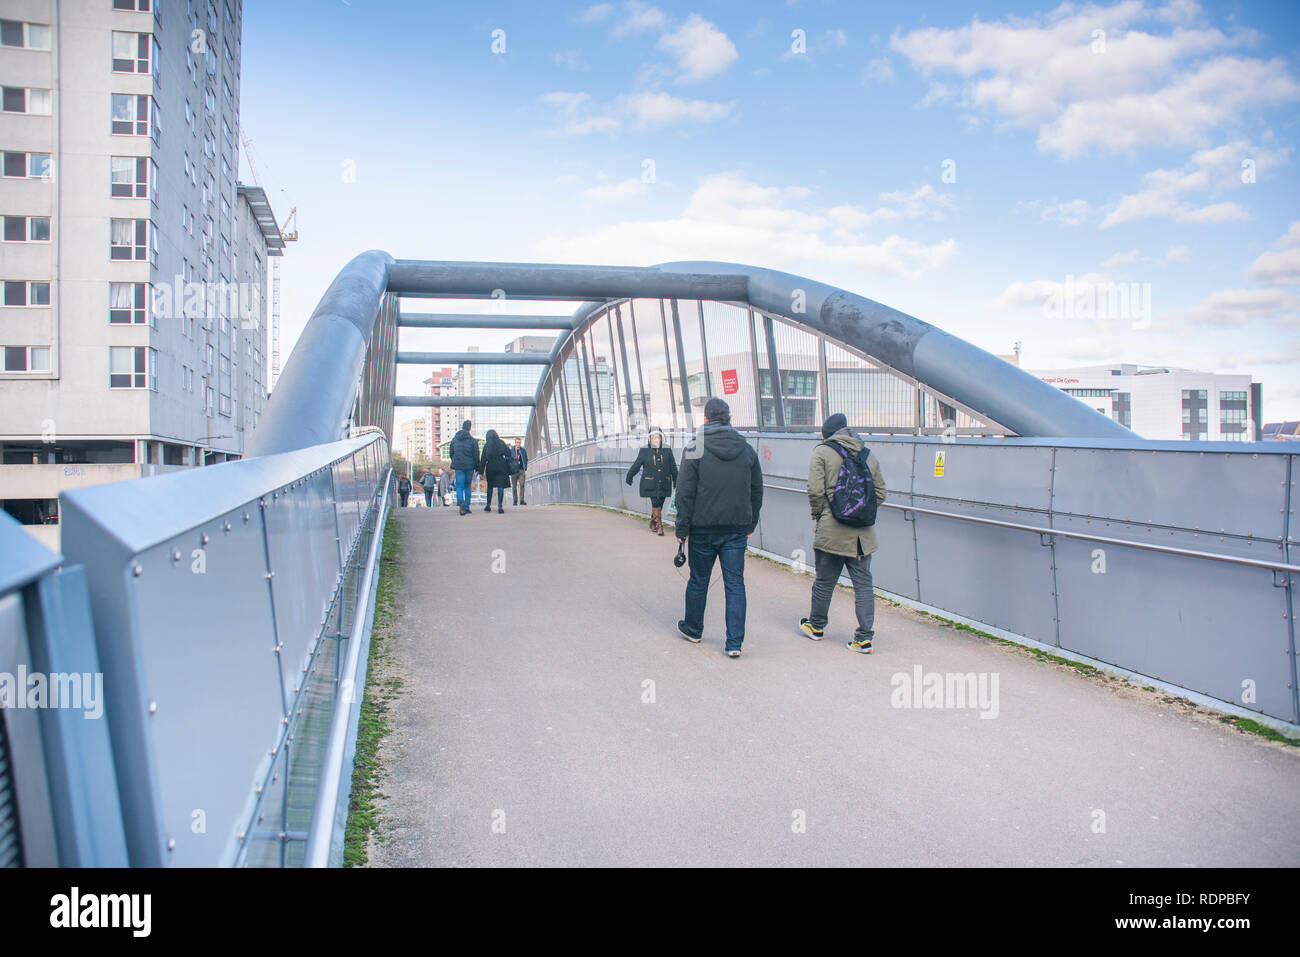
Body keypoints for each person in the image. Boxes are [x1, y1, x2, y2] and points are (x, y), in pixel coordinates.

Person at [674, 398, 763, 658]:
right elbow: (756, 489)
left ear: (706, 419)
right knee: (735, 583)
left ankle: (693, 629)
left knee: (699, 580)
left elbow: (684, 493)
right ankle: (734, 642)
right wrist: (751, 522)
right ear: (729, 418)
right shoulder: (746, 449)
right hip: (736, 529)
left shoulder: (695, 447)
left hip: (702, 528)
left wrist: (683, 528)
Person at [800, 413, 888, 654]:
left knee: (825, 581)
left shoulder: (822, 452)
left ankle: (816, 626)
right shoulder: (867, 454)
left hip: (831, 531)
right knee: (863, 585)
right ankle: (864, 638)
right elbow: (880, 494)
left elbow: (815, 490)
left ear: (826, 434)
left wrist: (819, 516)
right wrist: (859, 510)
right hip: (862, 536)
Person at [625, 427, 677, 535]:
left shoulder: (667, 449)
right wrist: (629, 476)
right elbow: (637, 464)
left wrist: (677, 480)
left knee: (660, 502)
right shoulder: (644, 450)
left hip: (664, 482)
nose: (656, 440)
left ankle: (653, 521)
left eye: (658, 437)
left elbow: (672, 466)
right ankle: (659, 525)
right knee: (656, 501)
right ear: (649, 439)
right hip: (650, 483)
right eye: (653, 438)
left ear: (661, 438)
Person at [450, 420, 480, 515]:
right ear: (470, 428)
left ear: (462, 427)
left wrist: (455, 460)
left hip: (458, 466)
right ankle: (466, 507)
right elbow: (476, 454)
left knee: (459, 486)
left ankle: (460, 502)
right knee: (467, 486)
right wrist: (477, 467)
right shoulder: (473, 441)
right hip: (469, 466)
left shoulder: (454, 439)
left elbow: (451, 453)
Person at [479, 429, 513, 514]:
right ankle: (500, 506)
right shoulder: (501, 443)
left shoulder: (487, 445)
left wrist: (481, 472)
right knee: (500, 486)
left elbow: (483, 459)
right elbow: (508, 453)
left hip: (490, 467)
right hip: (501, 466)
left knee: (490, 486)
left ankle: (488, 505)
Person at [511, 437, 529, 506]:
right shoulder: (512, 450)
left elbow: (526, 459)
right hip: (514, 470)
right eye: (517, 442)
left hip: (521, 470)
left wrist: (525, 467)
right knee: (514, 486)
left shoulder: (523, 450)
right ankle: (515, 500)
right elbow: (509, 458)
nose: (518, 444)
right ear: (515, 443)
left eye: (519, 442)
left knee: (522, 485)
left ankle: (522, 500)